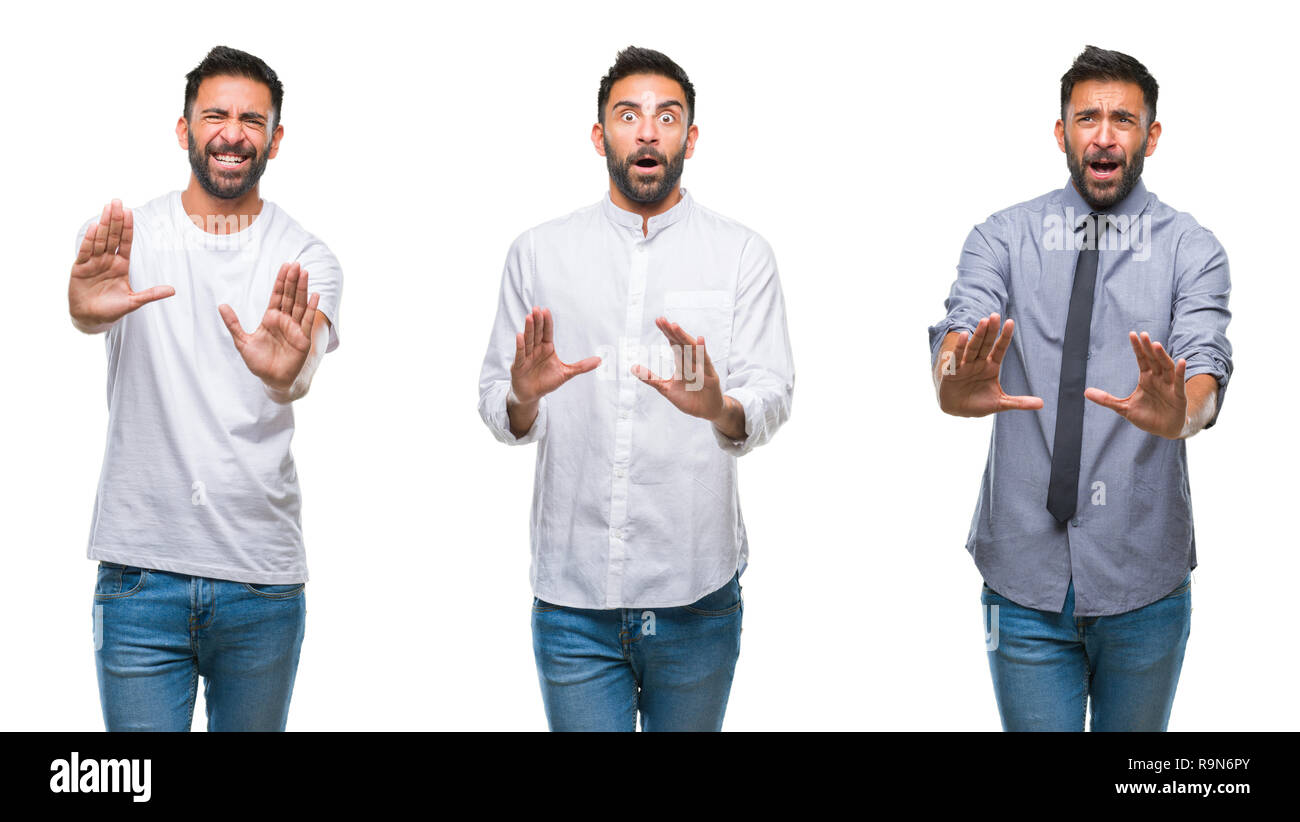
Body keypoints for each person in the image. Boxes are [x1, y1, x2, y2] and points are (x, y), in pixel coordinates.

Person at [477, 46, 795, 732]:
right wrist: (523, 396)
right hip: (573, 602)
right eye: (628, 115)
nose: (648, 131)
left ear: (691, 137)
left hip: (696, 595)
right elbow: (493, 401)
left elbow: (773, 388)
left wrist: (722, 408)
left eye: (667, 117)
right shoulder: (538, 252)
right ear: (601, 136)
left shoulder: (742, 253)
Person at [928, 46, 1232, 732]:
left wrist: (1183, 411)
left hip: (1144, 583)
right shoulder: (1001, 237)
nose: (1103, 134)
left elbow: (1205, 364)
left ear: (1150, 136)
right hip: (1022, 585)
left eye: (1122, 119)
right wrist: (953, 382)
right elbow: (958, 331)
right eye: (1086, 117)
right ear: (1061, 132)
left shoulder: (1192, 249)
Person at [69, 45, 342, 731]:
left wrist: (287, 370)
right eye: (214, 114)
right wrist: (81, 310)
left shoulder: (307, 257)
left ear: (275, 140)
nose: (231, 133)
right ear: (184, 128)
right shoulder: (125, 239)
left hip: (261, 584)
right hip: (139, 576)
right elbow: (83, 310)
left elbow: (301, 370)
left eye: (252, 120)